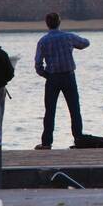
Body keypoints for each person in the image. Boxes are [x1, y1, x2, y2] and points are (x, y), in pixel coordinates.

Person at [33, 12, 90, 150]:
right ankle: (78, 139)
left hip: (52, 78)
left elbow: (38, 64)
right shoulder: (68, 37)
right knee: (74, 109)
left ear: (47, 24)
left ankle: (47, 143)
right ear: (59, 22)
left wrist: (46, 75)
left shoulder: (43, 41)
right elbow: (85, 43)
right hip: (69, 76)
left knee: (50, 111)